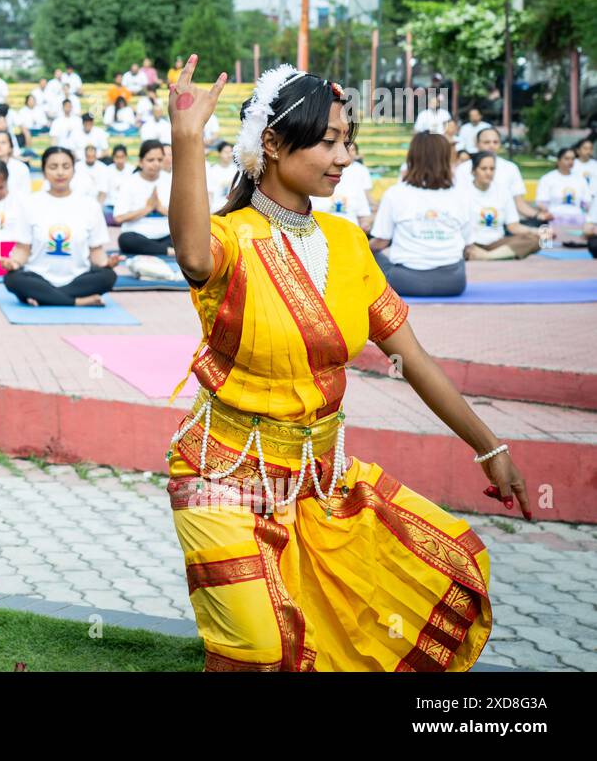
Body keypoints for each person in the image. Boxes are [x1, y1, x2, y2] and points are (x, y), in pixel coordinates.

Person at [165, 55, 524, 673]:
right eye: (329, 141)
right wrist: (187, 140)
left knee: (419, 588)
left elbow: (410, 357)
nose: (344, 156)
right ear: (273, 145)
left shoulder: (348, 243)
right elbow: (195, 255)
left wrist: (490, 446)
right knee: (257, 649)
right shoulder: (234, 239)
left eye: (347, 142)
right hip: (222, 476)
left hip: (318, 480)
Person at [0, 147, 119, 306]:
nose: (60, 173)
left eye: (66, 166)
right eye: (53, 167)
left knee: (108, 277)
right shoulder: (30, 204)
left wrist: (107, 263)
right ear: (44, 172)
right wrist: (13, 263)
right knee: (12, 279)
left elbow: (96, 251)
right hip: (38, 277)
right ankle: (77, 301)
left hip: (78, 278)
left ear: (74, 171)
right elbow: (23, 249)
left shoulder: (90, 205)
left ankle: (44, 298)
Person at [370, 133, 475, 297]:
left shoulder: (396, 193)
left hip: (404, 282)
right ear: (447, 159)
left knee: (370, 252)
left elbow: (381, 242)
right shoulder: (463, 195)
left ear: (412, 158)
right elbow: (467, 244)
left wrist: (361, 248)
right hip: (453, 283)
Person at [454, 127, 550, 224]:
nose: (491, 146)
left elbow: (519, 203)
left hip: (506, 223)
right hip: (473, 223)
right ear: (477, 144)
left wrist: (539, 215)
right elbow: (459, 203)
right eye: (486, 142)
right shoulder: (464, 169)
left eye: (495, 142)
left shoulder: (510, 168)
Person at [462, 152, 541, 260]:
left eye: (492, 169)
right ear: (473, 171)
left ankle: (488, 257)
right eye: (484, 169)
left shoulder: (503, 192)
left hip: (497, 244)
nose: (488, 172)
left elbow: (513, 227)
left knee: (535, 240)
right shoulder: (462, 193)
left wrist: (537, 232)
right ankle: (500, 256)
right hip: (471, 244)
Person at [113, 139, 172, 255]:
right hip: (138, 234)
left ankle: (159, 249)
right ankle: (167, 251)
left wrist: (160, 208)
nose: (156, 164)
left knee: (188, 234)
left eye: (159, 160)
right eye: (151, 160)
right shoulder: (129, 182)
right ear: (140, 162)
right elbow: (118, 218)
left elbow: (182, 217)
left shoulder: (171, 180)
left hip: (166, 235)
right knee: (125, 239)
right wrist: (147, 209)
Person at [535, 146, 592, 231]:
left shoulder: (580, 180)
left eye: (572, 159)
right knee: (544, 235)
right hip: (552, 220)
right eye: (567, 159)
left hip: (577, 221)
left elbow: (586, 204)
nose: (570, 162)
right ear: (558, 160)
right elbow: (541, 203)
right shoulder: (547, 178)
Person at [206, 141, 238, 213]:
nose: (228, 155)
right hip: (216, 208)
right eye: (226, 152)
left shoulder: (236, 170)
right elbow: (209, 193)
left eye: (230, 152)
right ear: (219, 153)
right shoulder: (212, 170)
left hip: (232, 207)